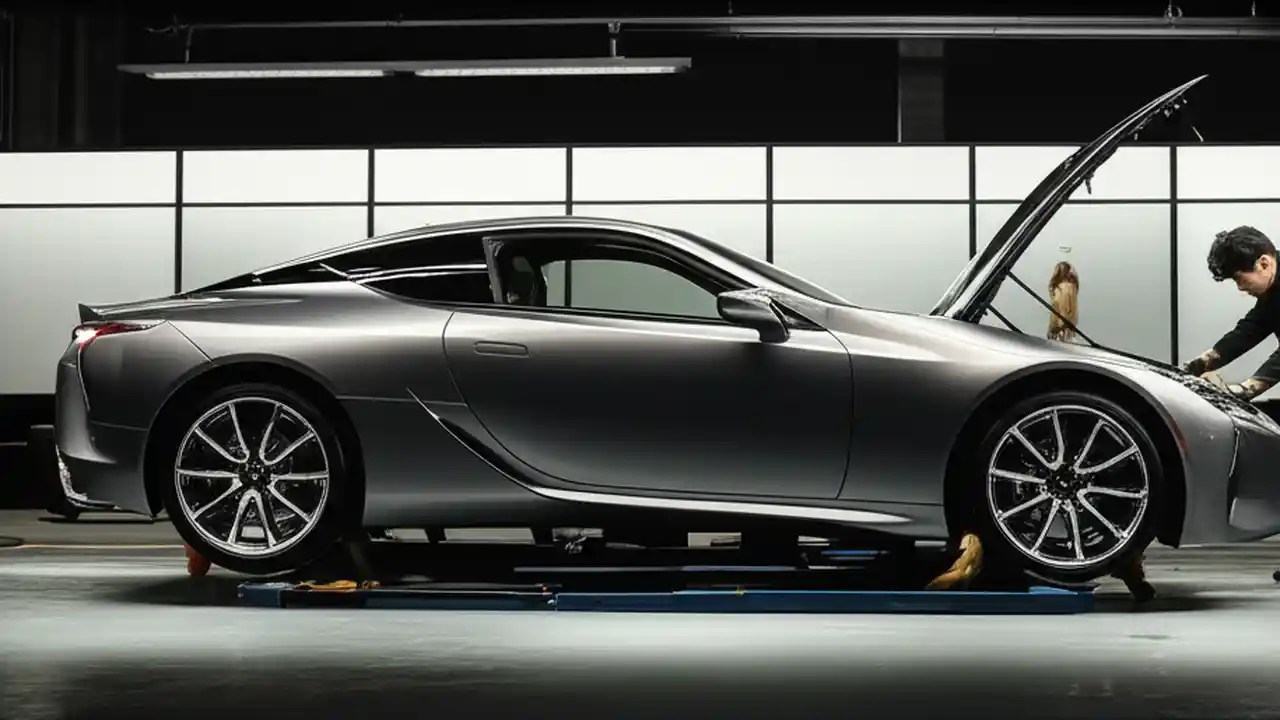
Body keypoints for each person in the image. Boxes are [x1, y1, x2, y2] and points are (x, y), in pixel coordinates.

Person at [1182, 226, 1280, 401]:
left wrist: (1246, 389)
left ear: (1264, 263)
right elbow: (1252, 328)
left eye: (1239, 279)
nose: (1240, 288)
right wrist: (1202, 363)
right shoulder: (1273, 290)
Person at [1047, 261, 1080, 342]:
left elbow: (1067, 311)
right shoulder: (1064, 288)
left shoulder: (1066, 288)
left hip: (1062, 332)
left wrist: (1058, 328)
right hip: (1061, 331)